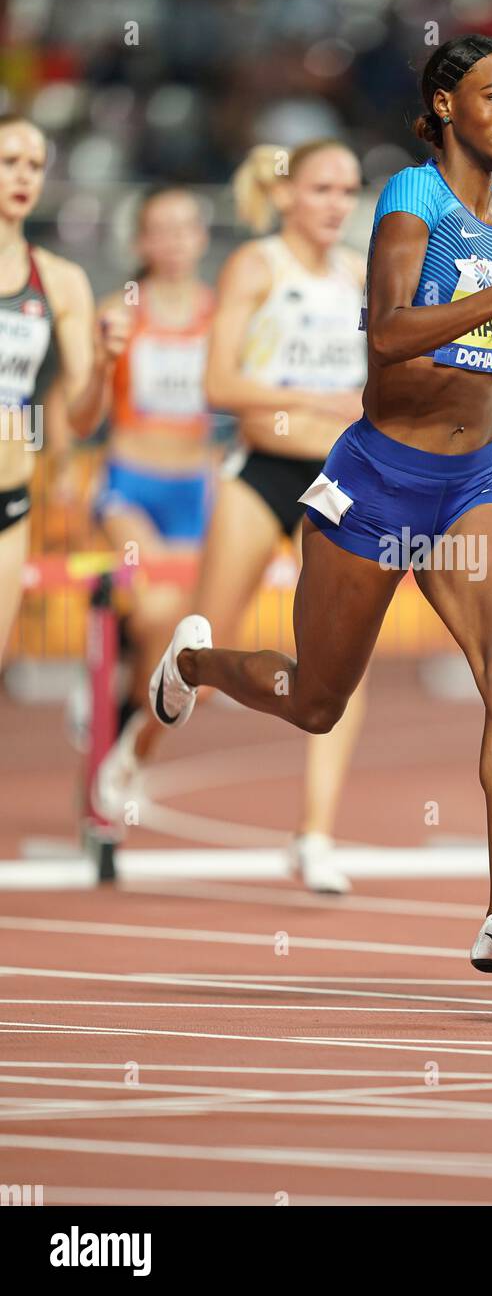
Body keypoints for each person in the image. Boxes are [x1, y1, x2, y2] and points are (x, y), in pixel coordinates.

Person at [149, 35, 492, 971]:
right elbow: (390, 338)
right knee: (315, 702)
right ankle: (199, 662)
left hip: (468, 488)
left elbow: (485, 352)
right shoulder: (408, 201)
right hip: (379, 479)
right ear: (442, 105)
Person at [99, 141, 367, 894]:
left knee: (346, 661)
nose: (337, 203)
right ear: (287, 197)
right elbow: (218, 383)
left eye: (348, 189)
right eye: (321, 187)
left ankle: (314, 835)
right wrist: (317, 401)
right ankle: (135, 754)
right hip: (263, 472)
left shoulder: (357, 274)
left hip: (338, 480)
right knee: (203, 649)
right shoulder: (258, 265)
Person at [0, 113, 127, 662]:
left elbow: (79, 418)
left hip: (10, 499)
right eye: (9, 163)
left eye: (35, 166)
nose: (24, 177)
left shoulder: (59, 279)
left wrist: (103, 365)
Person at [91, 186, 214, 730]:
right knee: (157, 607)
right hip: (131, 482)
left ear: (202, 237)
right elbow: (80, 403)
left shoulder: (217, 313)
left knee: (172, 623)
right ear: (142, 240)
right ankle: (112, 665)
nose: (173, 241)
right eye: (161, 229)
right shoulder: (118, 312)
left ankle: (125, 718)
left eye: (184, 227)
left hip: (194, 486)